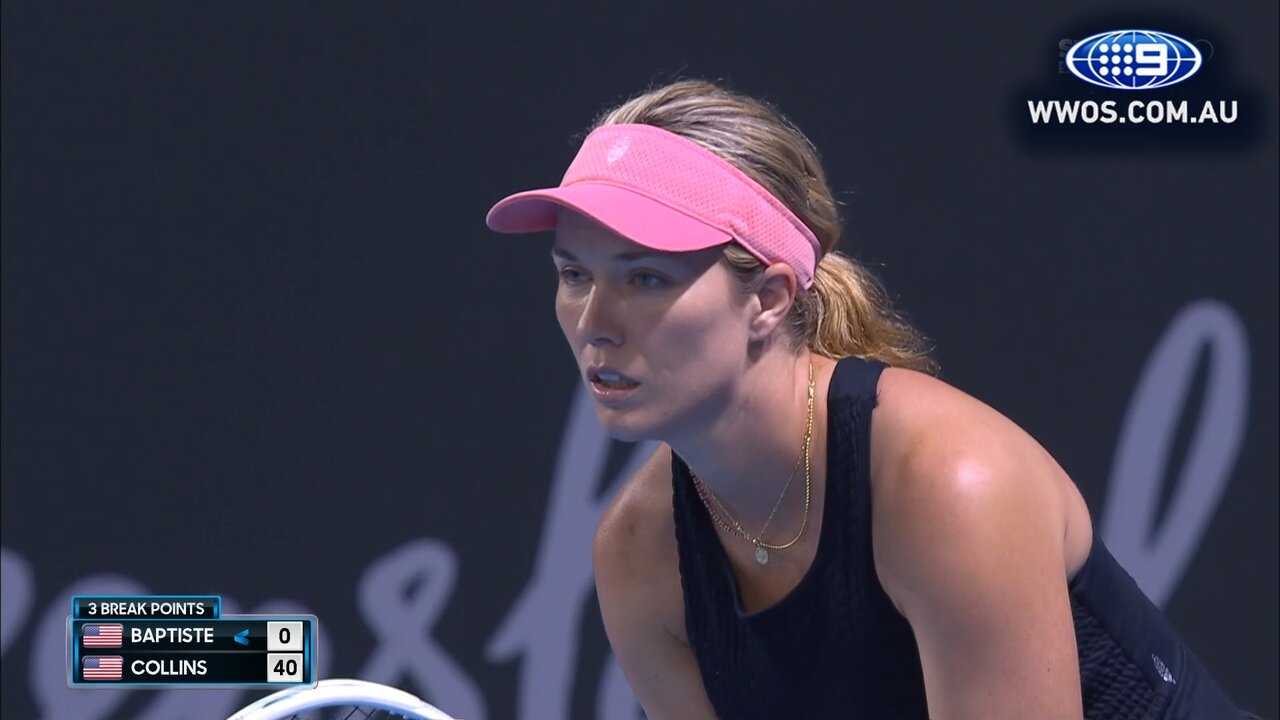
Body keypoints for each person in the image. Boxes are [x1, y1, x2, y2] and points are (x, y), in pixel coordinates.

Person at [485, 79, 1253, 719]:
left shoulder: (952, 483)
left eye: (645, 277)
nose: (594, 321)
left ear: (769, 298)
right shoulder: (638, 554)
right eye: (574, 274)